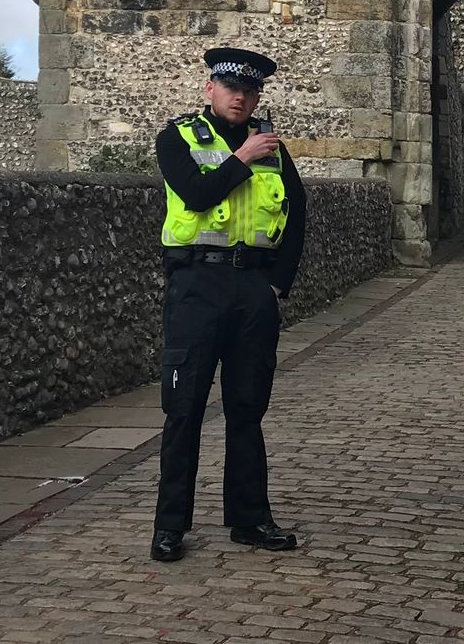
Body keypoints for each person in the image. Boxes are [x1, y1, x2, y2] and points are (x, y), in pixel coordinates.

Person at [148, 47, 306, 563]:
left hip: (251, 291)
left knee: (247, 408)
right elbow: (194, 194)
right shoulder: (179, 138)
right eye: (231, 88)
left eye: (250, 91)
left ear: (258, 95)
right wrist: (240, 159)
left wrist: (276, 285)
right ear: (209, 90)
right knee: (184, 409)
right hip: (196, 285)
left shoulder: (274, 149)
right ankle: (170, 526)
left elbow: (298, 214)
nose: (240, 97)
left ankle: (250, 519)